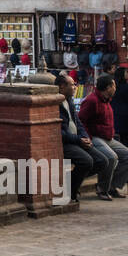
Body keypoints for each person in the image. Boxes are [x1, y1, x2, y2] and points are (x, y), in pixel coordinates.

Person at [78, 74, 128, 200]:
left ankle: (112, 186)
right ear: (108, 87)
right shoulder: (92, 100)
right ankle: (102, 189)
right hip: (94, 137)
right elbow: (81, 121)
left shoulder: (106, 100)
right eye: (114, 86)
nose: (115, 88)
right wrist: (86, 138)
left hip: (108, 137)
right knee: (111, 157)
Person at [56, 73, 95, 203]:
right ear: (62, 87)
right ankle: (70, 190)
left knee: (102, 160)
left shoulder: (69, 101)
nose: (75, 87)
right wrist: (78, 140)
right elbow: (60, 133)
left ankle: (73, 184)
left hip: (78, 140)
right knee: (87, 161)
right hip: (66, 143)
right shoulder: (56, 104)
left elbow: (78, 123)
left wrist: (85, 137)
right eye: (72, 84)